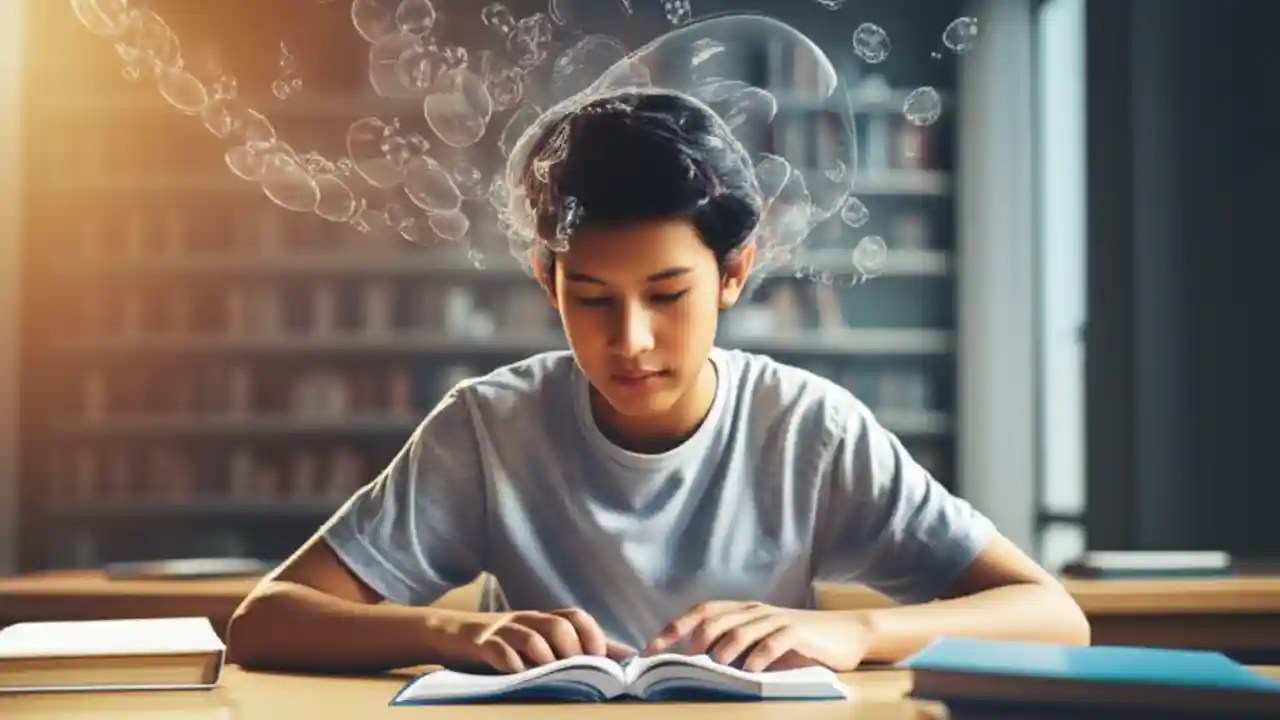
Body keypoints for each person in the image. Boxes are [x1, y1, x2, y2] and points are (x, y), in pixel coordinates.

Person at [227, 89, 1089, 675]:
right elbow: (265, 620)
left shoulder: (808, 427)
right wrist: (459, 629)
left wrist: (857, 630)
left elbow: (1053, 617)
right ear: (545, 278)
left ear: (734, 274)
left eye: (668, 295)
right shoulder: (489, 428)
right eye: (591, 298)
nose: (630, 341)